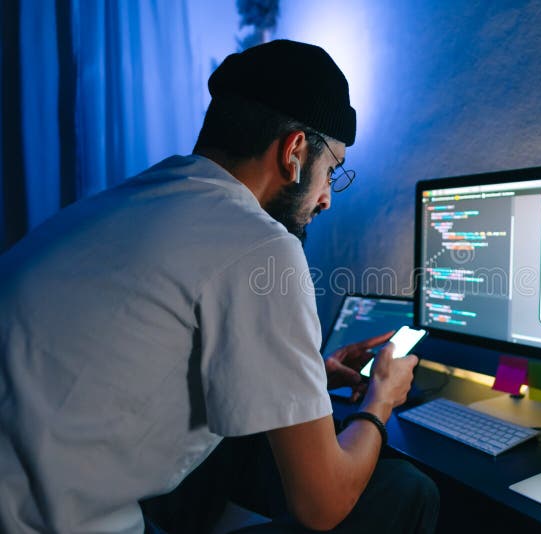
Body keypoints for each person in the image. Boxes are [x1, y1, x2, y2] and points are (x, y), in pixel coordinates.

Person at [0, 40, 439, 533]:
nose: (326, 199)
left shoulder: (127, 199)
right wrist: (380, 396)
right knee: (405, 491)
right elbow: (325, 505)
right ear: (295, 151)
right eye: (332, 171)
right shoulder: (258, 243)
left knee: (242, 439)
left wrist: (307, 375)